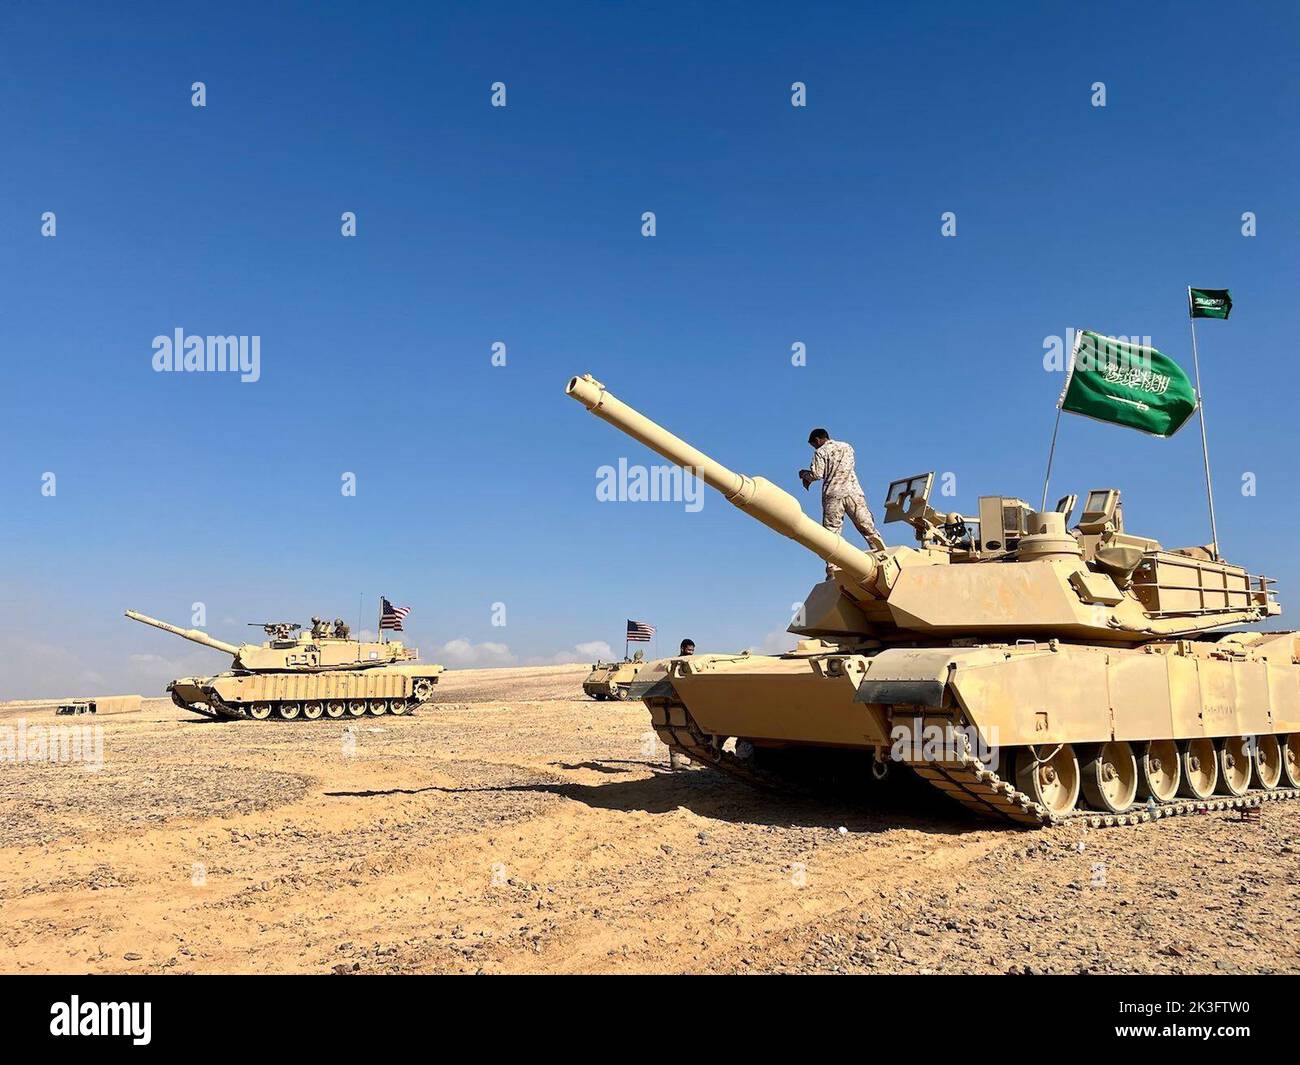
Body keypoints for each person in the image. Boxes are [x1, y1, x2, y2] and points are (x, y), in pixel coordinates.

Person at [799, 427, 885, 576]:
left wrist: (804, 475)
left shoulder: (820, 452)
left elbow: (817, 474)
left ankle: (832, 568)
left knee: (831, 533)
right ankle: (883, 557)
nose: (814, 447)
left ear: (818, 440)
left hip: (833, 495)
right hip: (853, 492)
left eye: (814, 444)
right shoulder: (847, 446)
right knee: (867, 526)